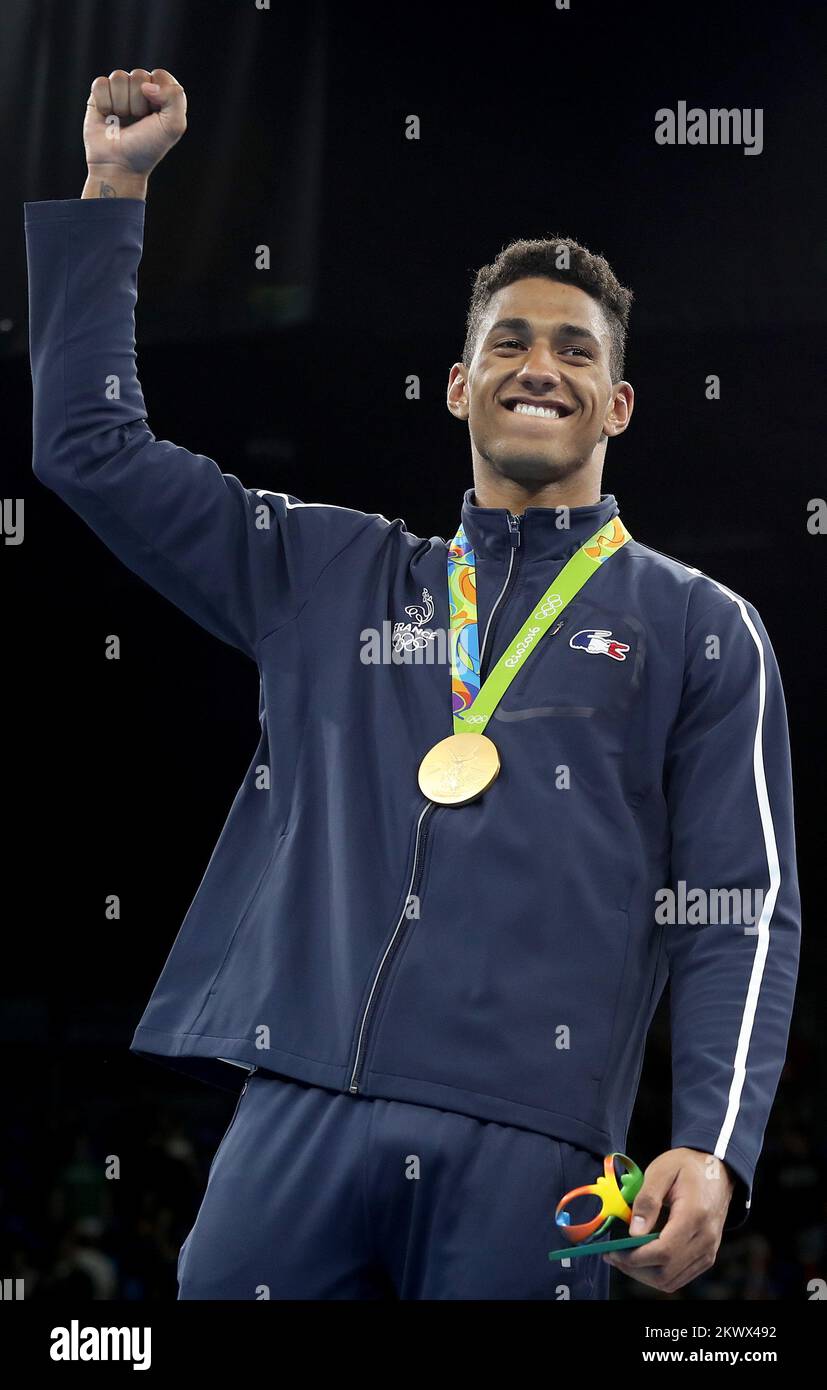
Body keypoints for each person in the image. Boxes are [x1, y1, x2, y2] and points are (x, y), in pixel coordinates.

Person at [25, 68, 801, 1301]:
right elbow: (88, 448)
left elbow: (735, 908)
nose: (535, 365)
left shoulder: (701, 627)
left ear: (618, 400)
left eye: (572, 349)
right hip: (294, 1113)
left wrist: (711, 1140)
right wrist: (115, 186)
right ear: (457, 386)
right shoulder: (328, 574)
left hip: (539, 1147)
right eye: (506, 340)